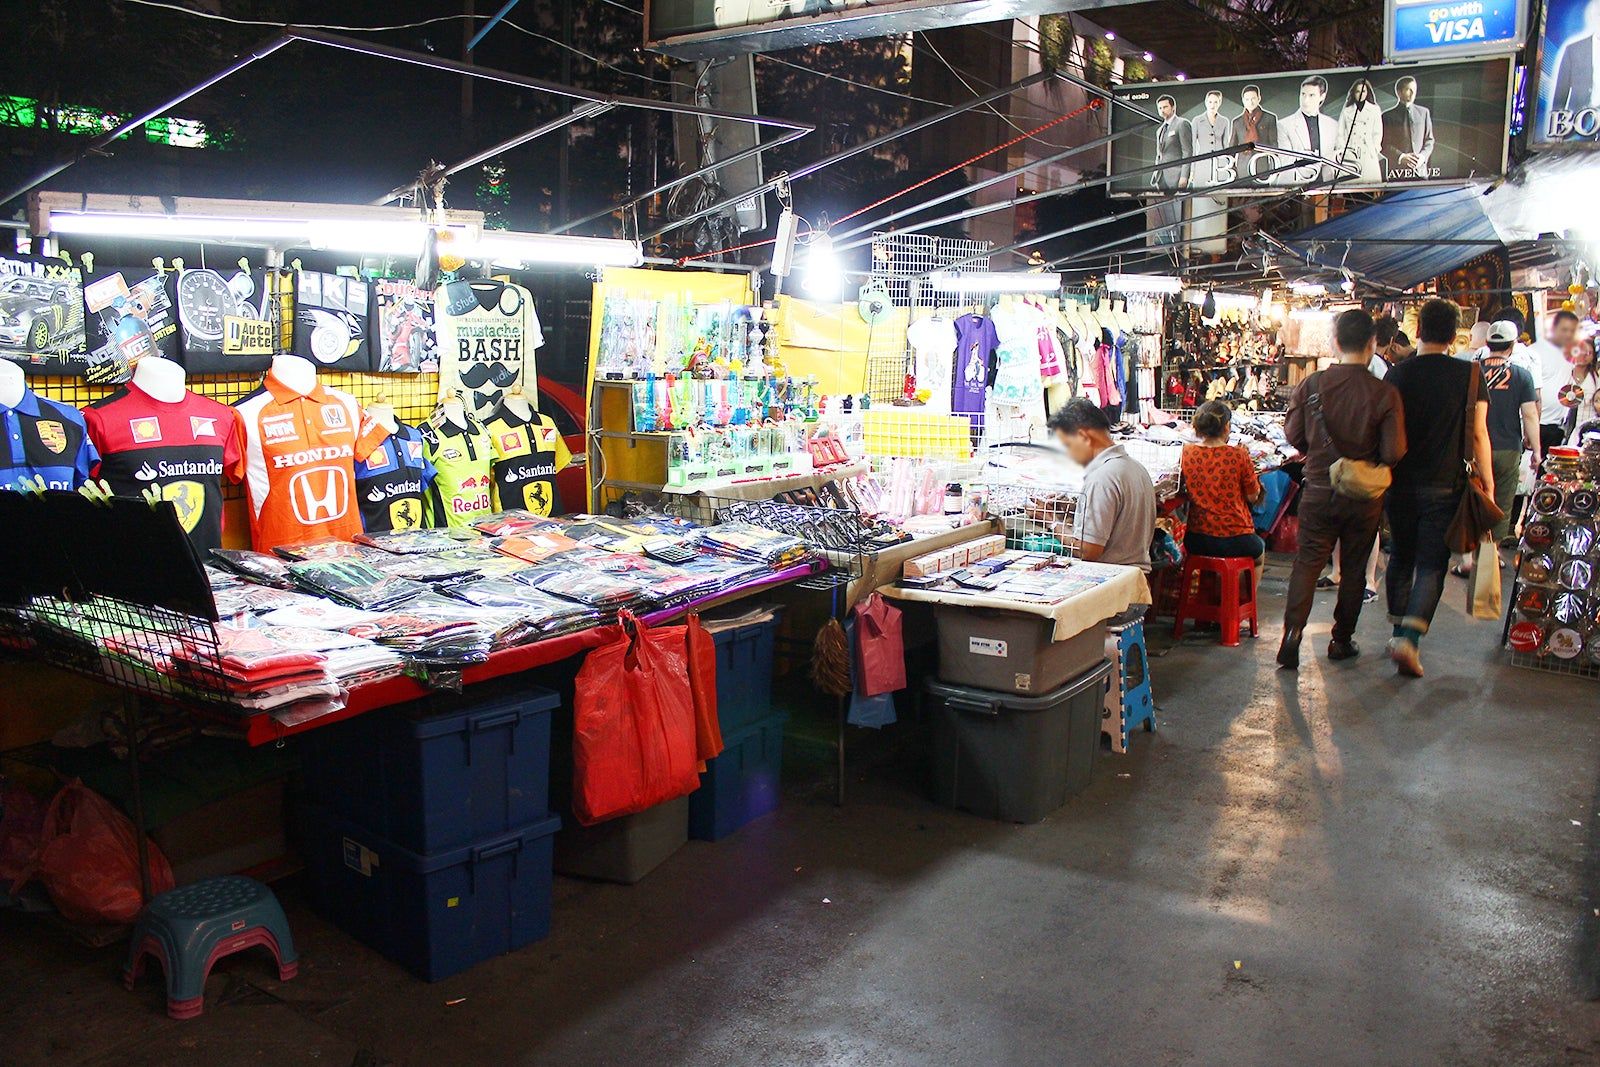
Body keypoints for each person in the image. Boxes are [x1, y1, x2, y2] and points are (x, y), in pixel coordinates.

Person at [1279, 309, 1406, 669]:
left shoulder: (1312, 385)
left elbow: (1294, 435)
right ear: (1372, 343)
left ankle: (1292, 634)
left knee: (1307, 562)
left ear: (1335, 342)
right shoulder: (1384, 393)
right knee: (1353, 567)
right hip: (1362, 497)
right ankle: (1341, 640)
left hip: (1319, 489)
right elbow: (1393, 452)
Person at [1383, 298, 1492, 678]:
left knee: (1401, 556)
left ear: (1418, 330)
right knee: (1431, 563)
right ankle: (1410, 640)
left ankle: (1398, 633)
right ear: (1453, 336)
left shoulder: (1397, 375)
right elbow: (1479, 435)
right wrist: (1489, 484)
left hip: (1398, 483)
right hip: (1446, 486)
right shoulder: (1470, 376)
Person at [1455, 321, 1541, 573]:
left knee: (1470, 500)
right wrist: (1536, 450)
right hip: (1508, 448)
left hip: (1471, 449)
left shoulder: (1471, 372)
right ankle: (1489, 556)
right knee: (1501, 502)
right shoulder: (1522, 375)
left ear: (1487, 343)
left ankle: (1467, 559)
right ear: (1512, 346)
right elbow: (1530, 415)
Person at [1048, 399, 1156, 571]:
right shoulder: (1135, 468)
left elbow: (1088, 551)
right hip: (1133, 576)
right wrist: (1073, 507)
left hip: (1115, 579)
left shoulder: (1102, 478)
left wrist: (1051, 522)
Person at [1181, 400, 1265, 560]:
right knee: (1259, 553)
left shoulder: (1187, 452)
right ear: (1226, 426)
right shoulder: (1239, 455)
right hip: (1235, 535)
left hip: (1196, 538)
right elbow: (1252, 496)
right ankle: (1243, 578)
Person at [1527, 309, 1581, 453]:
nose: (1568, 334)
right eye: (1564, 329)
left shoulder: (1571, 354)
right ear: (1553, 328)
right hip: (1534, 424)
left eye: (1572, 331)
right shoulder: (1534, 352)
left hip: (1558, 426)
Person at [1277, 75, 1341, 184]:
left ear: (1322, 96)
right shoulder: (1284, 125)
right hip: (1294, 185)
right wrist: (1319, 160)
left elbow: (1338, 156)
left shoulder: (1333, 125)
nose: (1305, 100)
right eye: (1303, 94)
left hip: (1326, 184)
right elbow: (1285, 161)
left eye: (1311, 95)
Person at [1151, 95, 1193, 243]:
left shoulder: (1182, 124)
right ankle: (1166, 238)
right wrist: (1156, 173)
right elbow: (1160, 154)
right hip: (1161, 176)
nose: (1162, 110)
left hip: (1176, 175)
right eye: (1160, 108)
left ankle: (1178, 239)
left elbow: (1187, 151)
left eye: (1165, 107)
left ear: (1173, 107)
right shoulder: (1160, 130)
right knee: (1164, 210)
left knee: (1177, 209)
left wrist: (1184, 176)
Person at [1381, 76, 1435, 180]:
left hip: (1421, 173)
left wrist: (1422, 157)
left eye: (1414, 89)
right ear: (1399, 92)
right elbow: (1383, 144)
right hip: (1397, 174)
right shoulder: (1387, 116)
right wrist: (1401, 157)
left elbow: (1429, 140)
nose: (1412, 93)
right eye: (1408, 89)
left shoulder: (1424, 113)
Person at [1337, 77, 1384, 183]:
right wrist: (1343, 151)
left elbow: (1378, 133)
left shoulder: (1374, 110)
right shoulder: (1346, 111)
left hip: (1368, 153)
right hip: (1351, 153)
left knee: (1371, 184)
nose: (1360, 94)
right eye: (1357, 92)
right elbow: (1340, 134)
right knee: (1350, 184)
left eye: (1363, 91)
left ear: (1367, 92)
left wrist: (1375, 149)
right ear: (1354, 93)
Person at [1231, 84, 1279, 179]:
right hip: (1242, 167)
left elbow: (1274, 144)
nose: (1250, 102)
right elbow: (1232, 147)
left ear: (1259, 98)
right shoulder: (1237, 122)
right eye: (1247, 99)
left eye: (1253, 98)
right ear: (1243, 101)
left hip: (1262, 166)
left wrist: (1275, 167)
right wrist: (1232, 169)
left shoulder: (1269, 118)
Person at [1192, 90, 1235, 187]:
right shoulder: (1197, 121)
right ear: (1206, 102)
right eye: (1210, 102)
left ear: (1219, 103)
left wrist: (1228, 165)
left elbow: (1225, 145)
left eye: (1216, 102)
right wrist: (1192, 169)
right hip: (1203, 163)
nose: (1212, 105)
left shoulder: (1224, 121)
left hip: (1220, 163)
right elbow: (1192, 146)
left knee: (1221, 191)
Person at [1563, 336, 1600, 438]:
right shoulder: (1565, 373)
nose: (1584, 356)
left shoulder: (1596, 377)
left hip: (1588, 427)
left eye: (1589, 353)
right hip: (1565, 427)